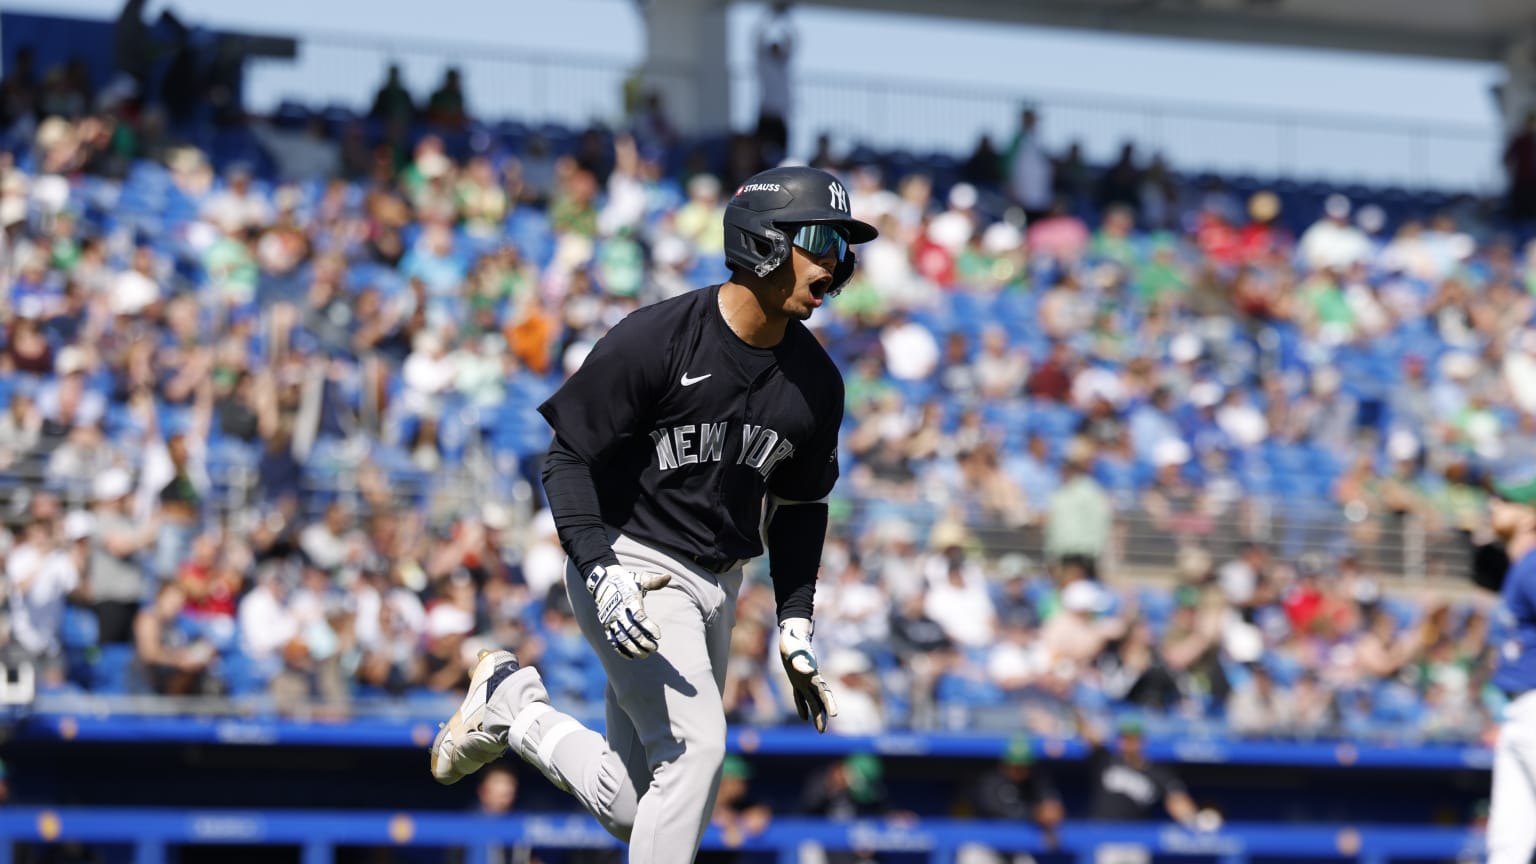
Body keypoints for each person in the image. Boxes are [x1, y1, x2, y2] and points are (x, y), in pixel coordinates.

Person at [428, 165, 878, 864]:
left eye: (844, 247)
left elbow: (798, 506)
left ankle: (513, 707)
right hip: (631, 563)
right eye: (820, 239)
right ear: (762, 240)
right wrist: (601, 570)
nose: (836, 262)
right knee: (699, 753)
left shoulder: (818, 382)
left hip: (717, 585)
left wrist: (794, 619)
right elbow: (567, 459)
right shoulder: (658, 339)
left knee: (636, 804)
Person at [1484, 484, 1536, 864]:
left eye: (1505, 500)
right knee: (1508, 843)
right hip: (1518, 710)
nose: (1493, 505)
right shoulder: (1520, 564)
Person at [958, 738, 1065, 864]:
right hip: (985, 846)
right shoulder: (991, 782)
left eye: (1024, 765)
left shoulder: (1035, 781)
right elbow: (997, 810)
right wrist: (1034, 813)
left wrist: (1051, 816)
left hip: (1016, 849)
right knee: (971, 856)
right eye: (1016, 764)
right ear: (1005, 763)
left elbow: (1052, 807)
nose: (1020, 769)